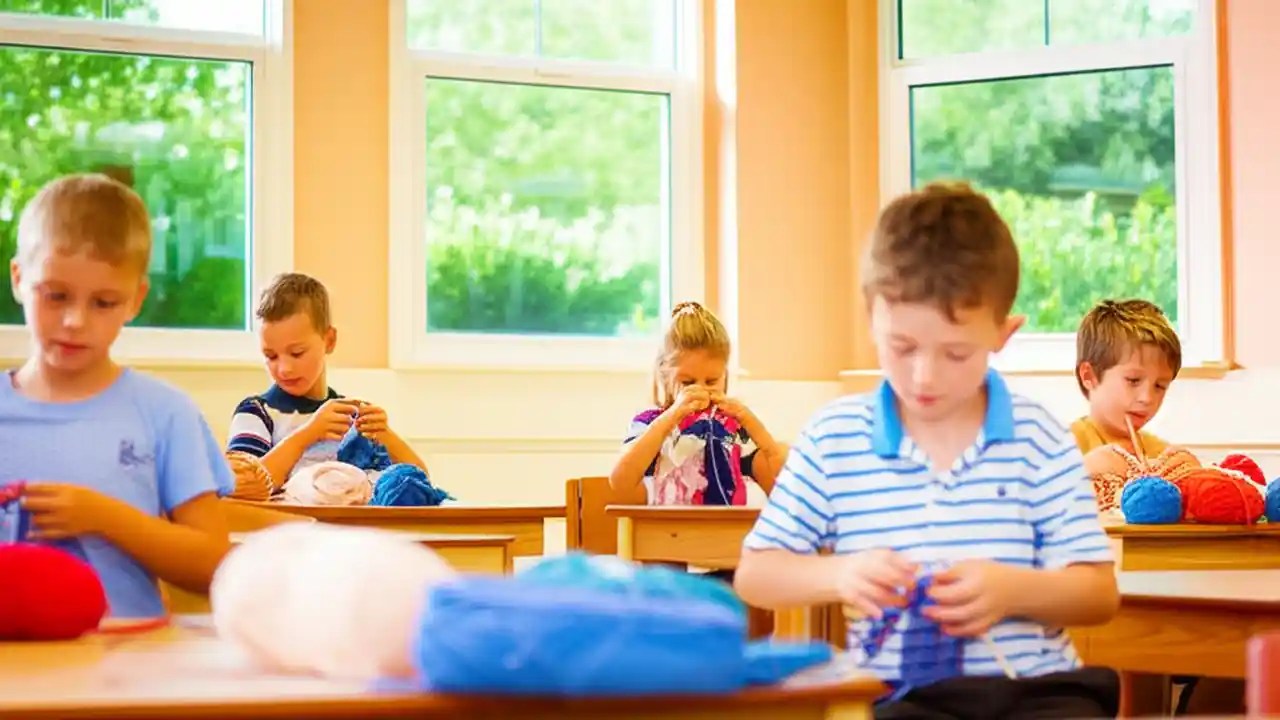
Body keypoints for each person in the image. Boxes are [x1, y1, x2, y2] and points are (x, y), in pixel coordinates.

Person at [733, 182, 1120, 718]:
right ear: (871, 318)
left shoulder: (1040, 436)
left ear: (1003, 334)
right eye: (903, 347)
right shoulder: (834, 437)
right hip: (906, 699)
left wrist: (1012, 589)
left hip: (1038, 694)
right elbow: (757, 574)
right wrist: (839, 575)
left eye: (957, 353)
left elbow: (1098, 594)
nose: (924, 376)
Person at [1, 173, 233, 618]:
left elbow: (213, 564)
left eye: (103, 303)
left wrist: (104, 517)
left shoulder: (165, 413)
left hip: (128, 669)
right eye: (56, 295)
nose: (74, 321)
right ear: (18, 279)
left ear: (136, 299)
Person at [225, 273, 426, 496]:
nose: (284, 368)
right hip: (284, 528)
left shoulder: (348, 417)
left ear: (329, 341)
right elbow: (241, 485)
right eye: (271, 356)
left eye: (296, 353)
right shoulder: (255, 412)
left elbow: (419, 482)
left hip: (350, 528)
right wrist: (309, 433)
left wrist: (385, 435)